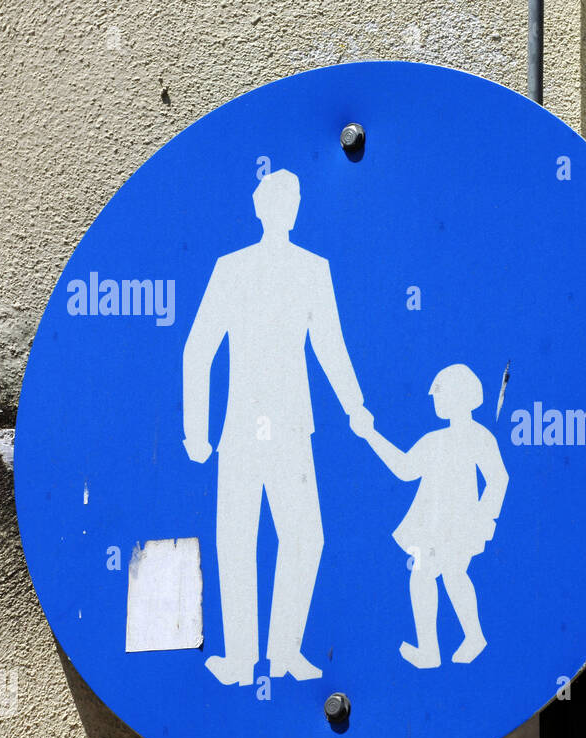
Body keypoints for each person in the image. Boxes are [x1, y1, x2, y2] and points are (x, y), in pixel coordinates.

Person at [182, 169, 368, 686]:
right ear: (261, 209)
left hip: (291, 427)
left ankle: (283, 653)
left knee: (306, 539)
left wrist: (355, 406)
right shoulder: (231, 268)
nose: (287, 208)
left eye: (294, 200)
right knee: (236, 540)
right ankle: (240, 660)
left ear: (297, 210)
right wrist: (195, 432)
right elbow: (197, 349)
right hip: (240, 426)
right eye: (278, 200)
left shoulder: (314, 269)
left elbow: (331, 347)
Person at [351, 364, 509, 669]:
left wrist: (484, 518)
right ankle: (435, 648)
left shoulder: (479, 436)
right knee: (428, 576)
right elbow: (405, 468)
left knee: (451, 575)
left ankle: (466, 639)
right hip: (432, 526)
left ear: (459, 396)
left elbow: (499, 480)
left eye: (440, 393)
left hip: (461, 526)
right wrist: (370, 435)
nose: (434, 400)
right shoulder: (435, 440)